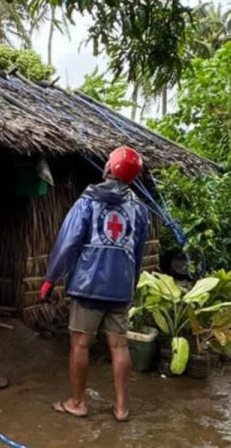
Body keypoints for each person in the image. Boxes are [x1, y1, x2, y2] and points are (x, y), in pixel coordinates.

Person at [41, 147, 151, 422]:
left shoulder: (88, 201)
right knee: (119, 346)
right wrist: (132, 281)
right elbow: (138, 252)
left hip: (87, 285)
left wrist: (51, 278)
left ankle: (78, 402)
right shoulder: (139, 208)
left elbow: (68, 242)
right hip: (121, 287)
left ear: (109, 167)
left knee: (80, 344)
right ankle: (121, 408)